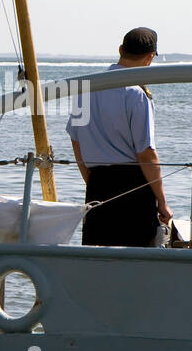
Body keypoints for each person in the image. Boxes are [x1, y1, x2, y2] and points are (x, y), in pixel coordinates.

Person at [66, 27, 172, 246]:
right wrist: (162, 202)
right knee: (136, 260)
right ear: (150, 57)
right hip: (133, 185)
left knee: (97, 258)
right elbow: (146, 153)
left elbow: (76, 141)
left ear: (121, 49)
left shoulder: (85, 90)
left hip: (97, 182)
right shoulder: (137, 93)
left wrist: (91, 180)